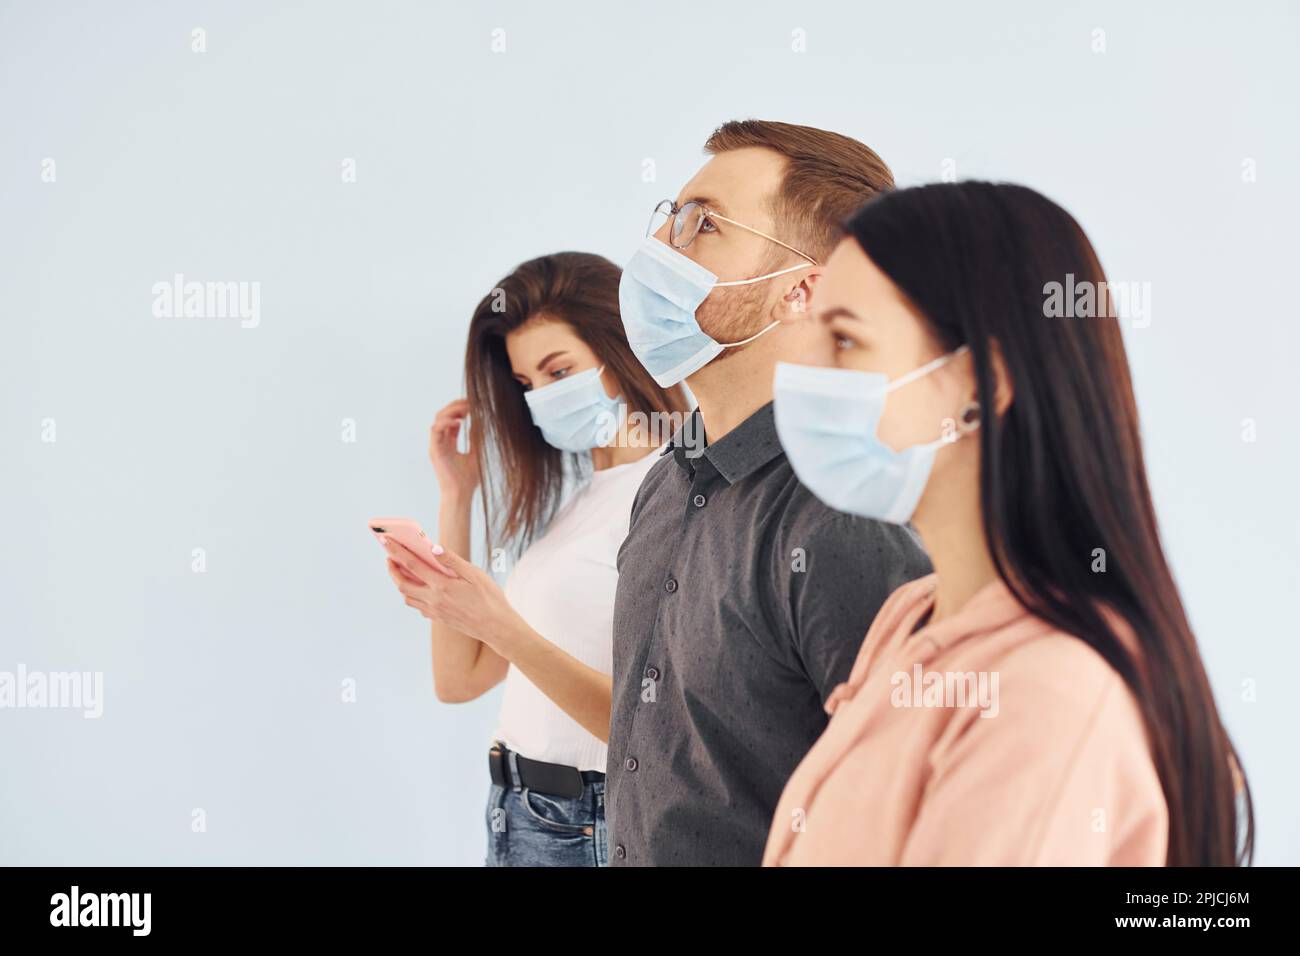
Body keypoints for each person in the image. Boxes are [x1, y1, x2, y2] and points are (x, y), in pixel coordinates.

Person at [763, 181, 1253, 865]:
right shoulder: (911, 617)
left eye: (845, 339)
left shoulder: (1046, 695)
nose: (802, 373)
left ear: (980, 384)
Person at [605, 120, 933, 866]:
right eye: (669, 217)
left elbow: (913, 812)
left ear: (804, 289)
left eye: (703, 226)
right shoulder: (666, 480)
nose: (660, 248)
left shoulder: (846, 519)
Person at [382, 251, 689, 867]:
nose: (542, 397)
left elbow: (650, 729)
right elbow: (458, 680)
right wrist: (457, 498)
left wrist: (501, 623)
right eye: (526, 384)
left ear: (621, 349)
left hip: (589, 822)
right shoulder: (580, 506)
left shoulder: (672, 490)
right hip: (519, 811)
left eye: (559, 370)